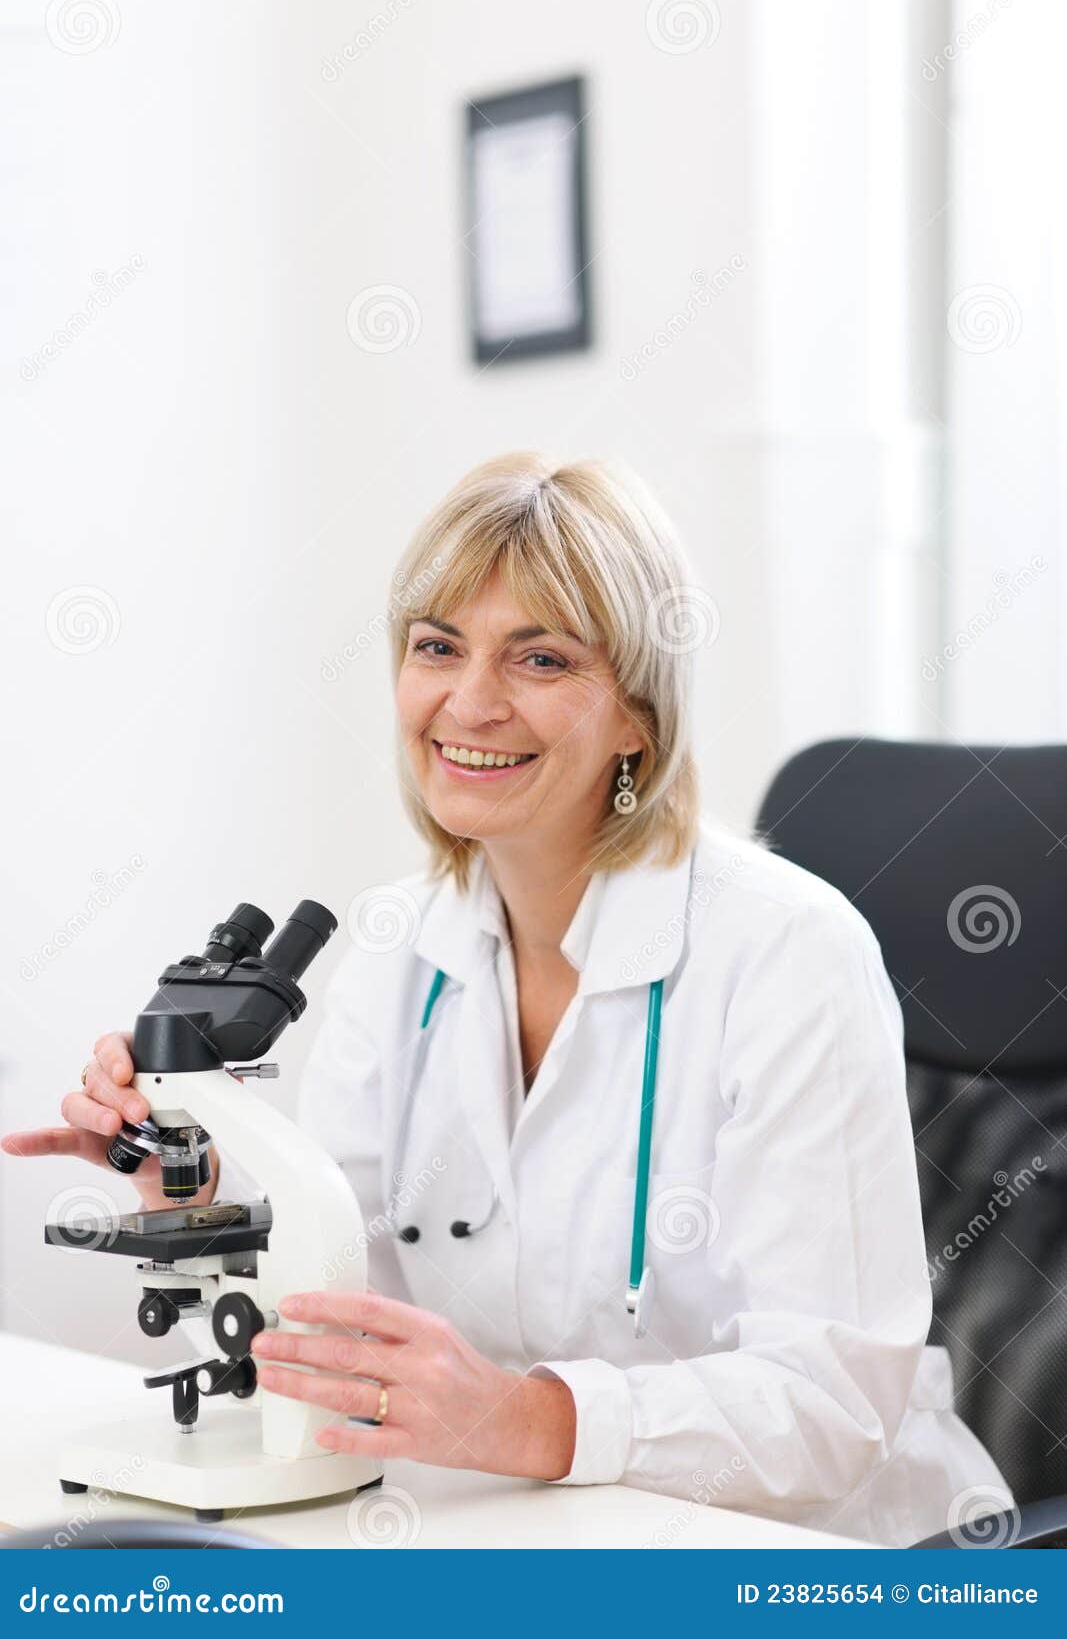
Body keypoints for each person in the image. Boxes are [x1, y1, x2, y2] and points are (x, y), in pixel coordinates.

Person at [3, 452, 1014, 1546]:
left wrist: (530, 1419)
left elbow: (826, 1406)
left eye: (538, 657)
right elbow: (345, 1319)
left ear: (635, 714)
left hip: (824, 1553)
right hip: (527, 1528)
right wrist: (196, 1195)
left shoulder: (787, 954)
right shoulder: (397, 950)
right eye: (437, 646)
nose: (469, 701)